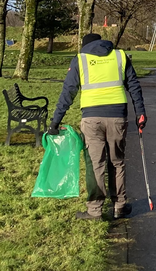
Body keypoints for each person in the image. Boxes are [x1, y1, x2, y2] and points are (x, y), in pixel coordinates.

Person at [48, 32, 146, 222]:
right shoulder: (120, 56)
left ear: (84, 46)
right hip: (118, 117)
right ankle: (120, 206)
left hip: (91, 119)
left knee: (96, 164)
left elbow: (68, 91)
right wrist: (141, 112)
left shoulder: (80, 60)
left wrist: (55, 121)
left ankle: (94, 211)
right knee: (117, 162)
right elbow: (134, 86)